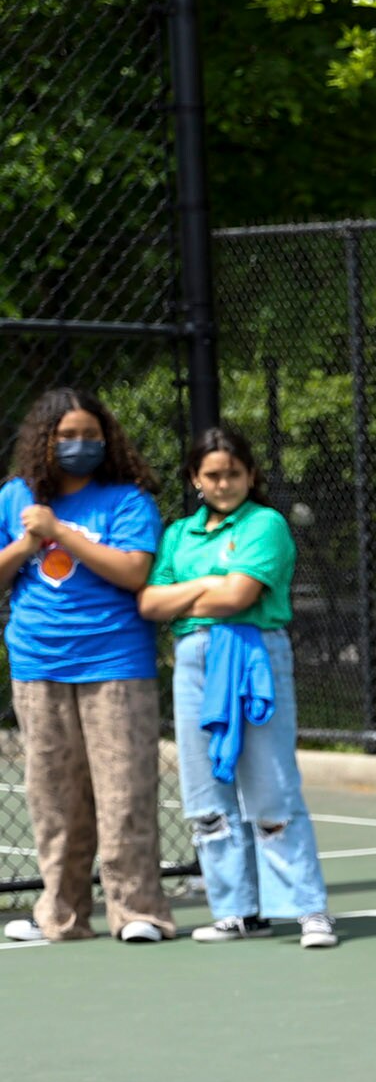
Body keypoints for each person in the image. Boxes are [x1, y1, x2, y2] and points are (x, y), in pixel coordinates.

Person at [138, 425, 335, 948]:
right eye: (212, 475)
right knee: (205, 792)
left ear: (250, 475)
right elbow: (148, 604)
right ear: (195, 479)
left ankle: (307, 909)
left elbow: (238, 598)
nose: (223, 483)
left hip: (254, 656)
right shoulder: (179, 533)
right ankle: (237, 909)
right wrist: (211, 585)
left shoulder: (266, 524)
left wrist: (190, 591)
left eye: (233, 473)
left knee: (271, 787)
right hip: (193, 661)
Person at [0, 388, 176, 944]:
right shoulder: (14, 497)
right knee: (54, 798)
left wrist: (60, 534)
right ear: (44, 441)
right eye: (67, 436)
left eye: (90, 436)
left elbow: (132, 573)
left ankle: (138, 912)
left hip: (116, 665)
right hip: (38, 665)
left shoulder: (128, 502)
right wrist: (29, 543)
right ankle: (62, 916)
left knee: (124, 793)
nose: (79, 446)